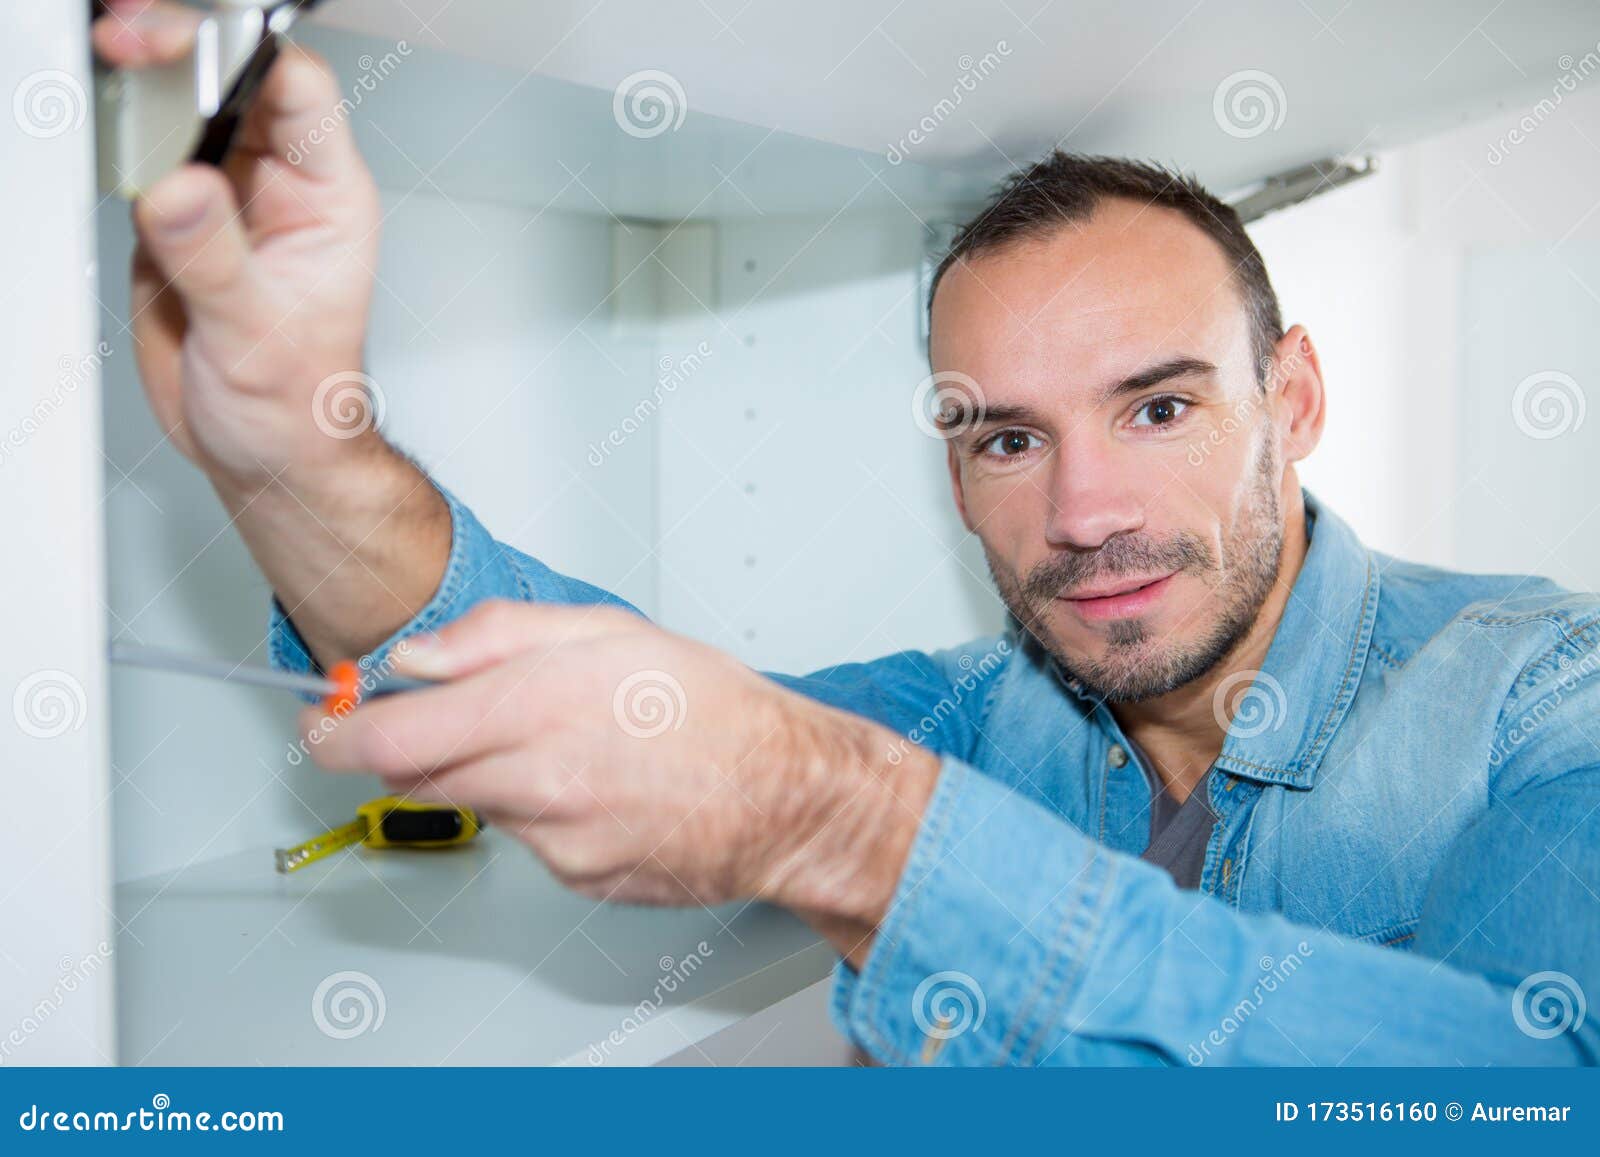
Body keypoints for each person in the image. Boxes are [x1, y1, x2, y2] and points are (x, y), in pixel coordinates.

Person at [97, 1, 1599, 1065]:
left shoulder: (1544, 697)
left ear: (1296, 400)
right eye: (1008, 438)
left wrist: (856, 828)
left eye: (1157, 408)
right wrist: (301, 448)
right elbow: (540, 689)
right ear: (955, 473)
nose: (1083, 515)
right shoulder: (967, 718)